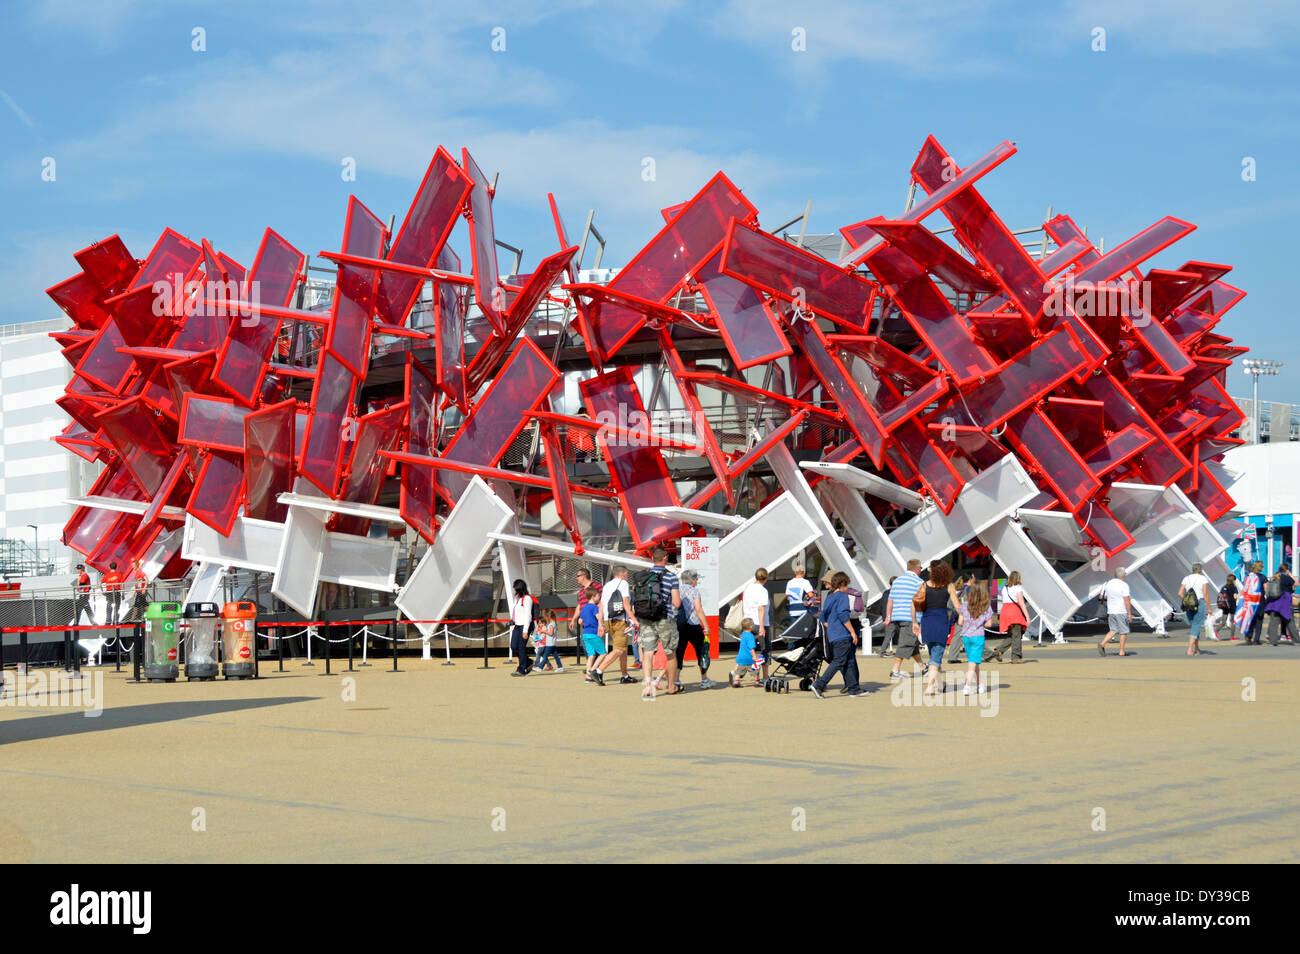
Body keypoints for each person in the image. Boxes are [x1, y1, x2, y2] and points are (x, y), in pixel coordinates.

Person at [810, 571, 869, 697]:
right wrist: (852, 632)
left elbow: (823, 616)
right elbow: (843, 615)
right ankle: (818, 684)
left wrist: (830, 626)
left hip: (833, 634)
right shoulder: (842, 596)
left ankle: (854, 688)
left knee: (849, 660)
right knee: (839, 661)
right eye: (846, 585)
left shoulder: (830, 597)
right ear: (842, 584)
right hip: (843, 634)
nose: (847, 588)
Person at [634, 548, 682, 700]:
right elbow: (676, 602)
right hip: (664, 618)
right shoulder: (671, 577)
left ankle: (648, 686)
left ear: (653, 559)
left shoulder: (644, 576)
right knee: (670, 652)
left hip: (646, 618)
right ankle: (671, 686)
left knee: (648, 652)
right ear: (665, 558)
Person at [592, 565, 637, 685]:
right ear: (622, 574)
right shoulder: (623, 584)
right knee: (619, 649)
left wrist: (600, 624)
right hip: (620, 620)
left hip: (608, 620)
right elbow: (626, 604)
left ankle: (624, 675)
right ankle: (598, 670)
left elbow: (601, 605)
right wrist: (634, 619)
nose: (627, 576)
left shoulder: (607, 585)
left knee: (623, 648)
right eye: (627, 574)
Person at [675, 569, 716, 690]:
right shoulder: (695, 591)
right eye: (696, 579)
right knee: (702, 652)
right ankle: (704, 679)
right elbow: (699, 609)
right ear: (692, 580)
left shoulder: (677, 591)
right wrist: (707, 626)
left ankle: (676, 680)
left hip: (680, 625)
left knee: (679, 652)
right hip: (694, 626)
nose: (697, 581)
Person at [919, 561, 955, 695]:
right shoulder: (949, 586)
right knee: (936, 656)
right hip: (941, 620)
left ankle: (941, 684)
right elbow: (957, 605)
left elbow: (915, 603)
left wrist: (915, 623)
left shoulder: (924, 585)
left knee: (934, 654)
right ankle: (930, 686)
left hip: (927, 620)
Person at [886, 560, 925, 680]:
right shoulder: (919, 582)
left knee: (912, 643)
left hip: (897, 616)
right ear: (917, 569)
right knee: (906, 643)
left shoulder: (897, 581)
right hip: (911, 617)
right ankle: (895, 670)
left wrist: (888, 616)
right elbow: (922, 600)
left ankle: (923, 667)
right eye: (921, 568)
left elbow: (890, 600)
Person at [958, 579, 994, 695]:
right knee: (972, 663)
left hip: (966, 636)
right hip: (978, 636)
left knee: (974, 661)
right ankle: (967, 686)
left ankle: (979, 685)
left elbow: (960, 622)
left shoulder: (964, 605)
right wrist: (979, 622)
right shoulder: (986, 607)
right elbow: (989, 624)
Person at [742, 568, 771, 683]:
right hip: (759, 622)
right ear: (766, 578)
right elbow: (761, 609)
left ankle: (739, 673)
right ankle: (765, 676)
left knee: (748, 649)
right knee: (765, 649)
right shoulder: (762, 591)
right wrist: (762, 627)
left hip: (747, 621)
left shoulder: (748, 587)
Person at [992, 571, 1029, 663]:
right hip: (1014, 612)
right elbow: (1021, 603)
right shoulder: (1018, 588)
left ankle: (999, 650)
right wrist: (1027, 617)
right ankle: (1016, 657)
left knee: (1012, 634)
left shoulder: (1005, 588)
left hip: (1005, 611)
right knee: (1017, 635)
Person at [1177, 563, 1212, 656]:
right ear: (1200, 570)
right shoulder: (1203, 579)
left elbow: (1180, 593)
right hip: (1199, 602)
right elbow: (1205, 594)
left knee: (1194, 626)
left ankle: (1197, 649)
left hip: (1189, 604)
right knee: (1196, 625)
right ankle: (1190, 649)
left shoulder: (1186, 578)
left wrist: (1187, 599)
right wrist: (1209, 607)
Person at [1097, 568, 1133, 657]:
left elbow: (1103, 596)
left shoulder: (1108, 584)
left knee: (1113, 630)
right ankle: (1121, 651)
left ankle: (1102, 644)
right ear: (1123, 576)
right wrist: (1129, 613)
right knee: (1123, 631)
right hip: (1121, 610)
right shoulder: (1124, 585)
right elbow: (1127, 600)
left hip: (1111, 610)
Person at [1262, 566, 1294, 647]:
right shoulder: (1286, 578)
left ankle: (1272, 641)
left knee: (1273, 623)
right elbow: (1295, 584)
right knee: (1290, 621)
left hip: (1273, 603)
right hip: (1283, 602)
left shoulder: (1273, 579)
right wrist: (1290, 574)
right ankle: (1296, 640)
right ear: (1286, 570)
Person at [508, 579, 534, 677]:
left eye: (515, 587)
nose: (514, 589)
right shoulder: (517, 598)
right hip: (517, 625)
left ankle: (521, 668)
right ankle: (527, 661)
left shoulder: (527, 598)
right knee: (513, 646)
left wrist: (525, 631)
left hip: (524, 625)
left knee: (521, 647)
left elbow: (528, 615)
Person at [1235, 561, 1264, 645]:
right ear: (1261, 568)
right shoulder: (1262, 577)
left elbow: (1245, 588)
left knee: (1250, 619)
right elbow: (1266, 589)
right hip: (1259, 601)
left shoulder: (1249, 577)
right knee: (1259, 621)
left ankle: (1248, 636)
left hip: (1250, 601)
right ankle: (1256, 639)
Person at [580, 587, 605, 683]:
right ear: (593, 596)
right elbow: (598, 617)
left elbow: (580, 621)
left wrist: (587, 621)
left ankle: (588, 678)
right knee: (603, 653)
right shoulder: (595, 607)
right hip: (593, 633)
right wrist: (602, 625)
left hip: (585, 633)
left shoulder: (585, 607)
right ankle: (592, 671)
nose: (599, 597)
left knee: (591, 655)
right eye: (598, 595)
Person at [783, 561, 815, 633]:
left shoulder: (790, 582)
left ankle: (792, 644)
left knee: (794, 632)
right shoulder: (805, 582)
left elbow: (788, 597)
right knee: (804, 632)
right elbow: (811, 595)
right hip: (803, 611)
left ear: (795, 572)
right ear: (804, 572)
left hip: (793, 610)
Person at [729, 618, 761, 688]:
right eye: (753, 624)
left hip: (741, 657)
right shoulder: (751, 636)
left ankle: (736, 681)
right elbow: (751, 647)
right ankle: (757, 681)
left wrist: (758, 636)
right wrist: (754, 656)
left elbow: (748, 640)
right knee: (755, 669)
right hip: (749, 658)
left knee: (739, 671)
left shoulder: (743, 634)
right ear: (751, 627)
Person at [1215, 573, 1238, 641]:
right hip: (1232, 606)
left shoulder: (1223, 587)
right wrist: (1235, 600)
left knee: (1223, 622)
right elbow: (1235, 597)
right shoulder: (1234, 587)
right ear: (1232, 580)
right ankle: (1232, 637)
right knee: (1232, 621)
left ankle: (1216, 632)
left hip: (1225, 606)